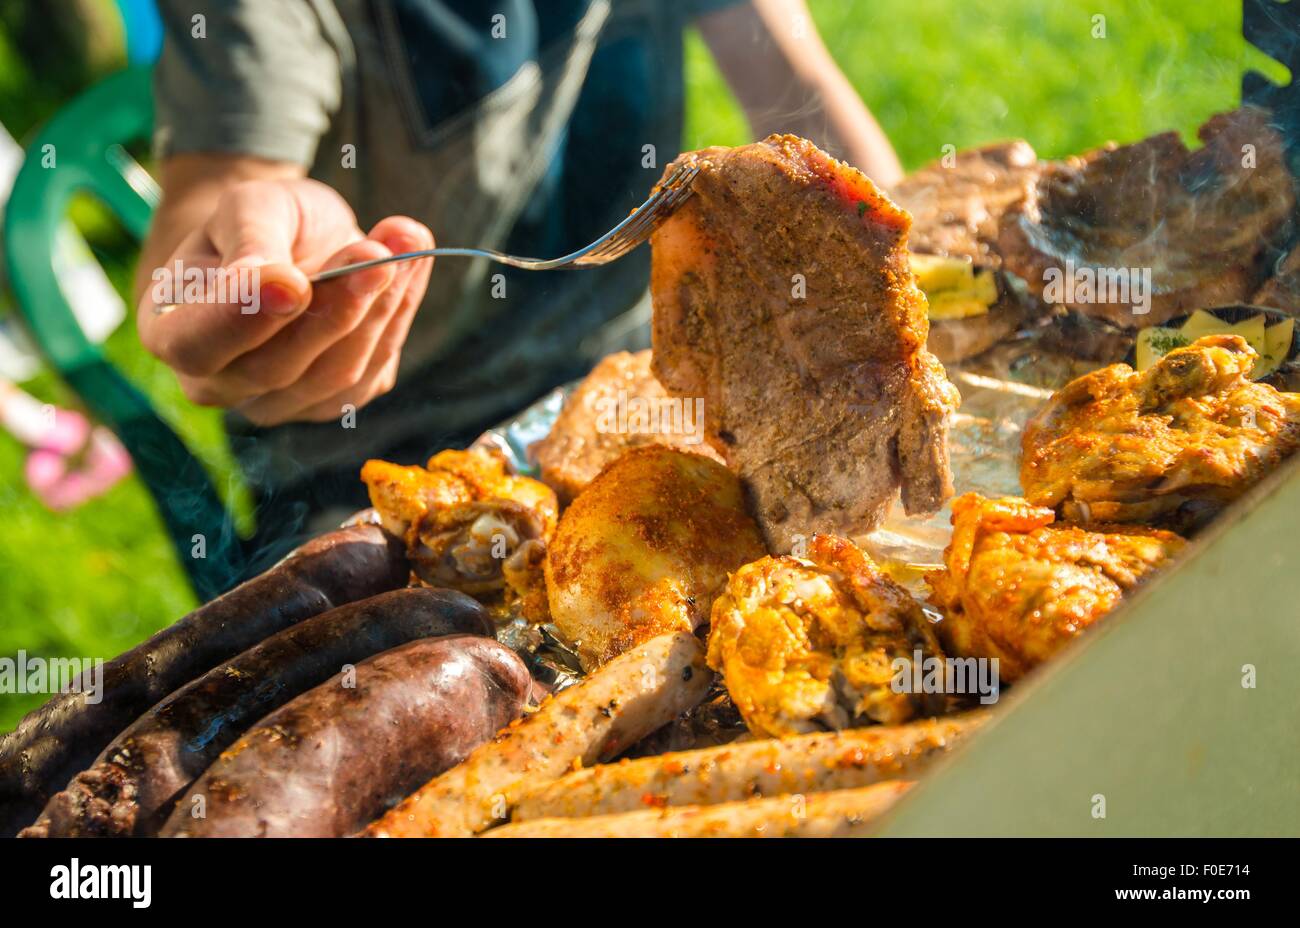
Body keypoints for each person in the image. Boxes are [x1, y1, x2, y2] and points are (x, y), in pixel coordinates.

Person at [135, 0, 901, 568]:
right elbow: (218, 190)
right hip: (377, 455)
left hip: (643, 382)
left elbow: (788, 77)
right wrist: (233, 274)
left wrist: (888, 268)